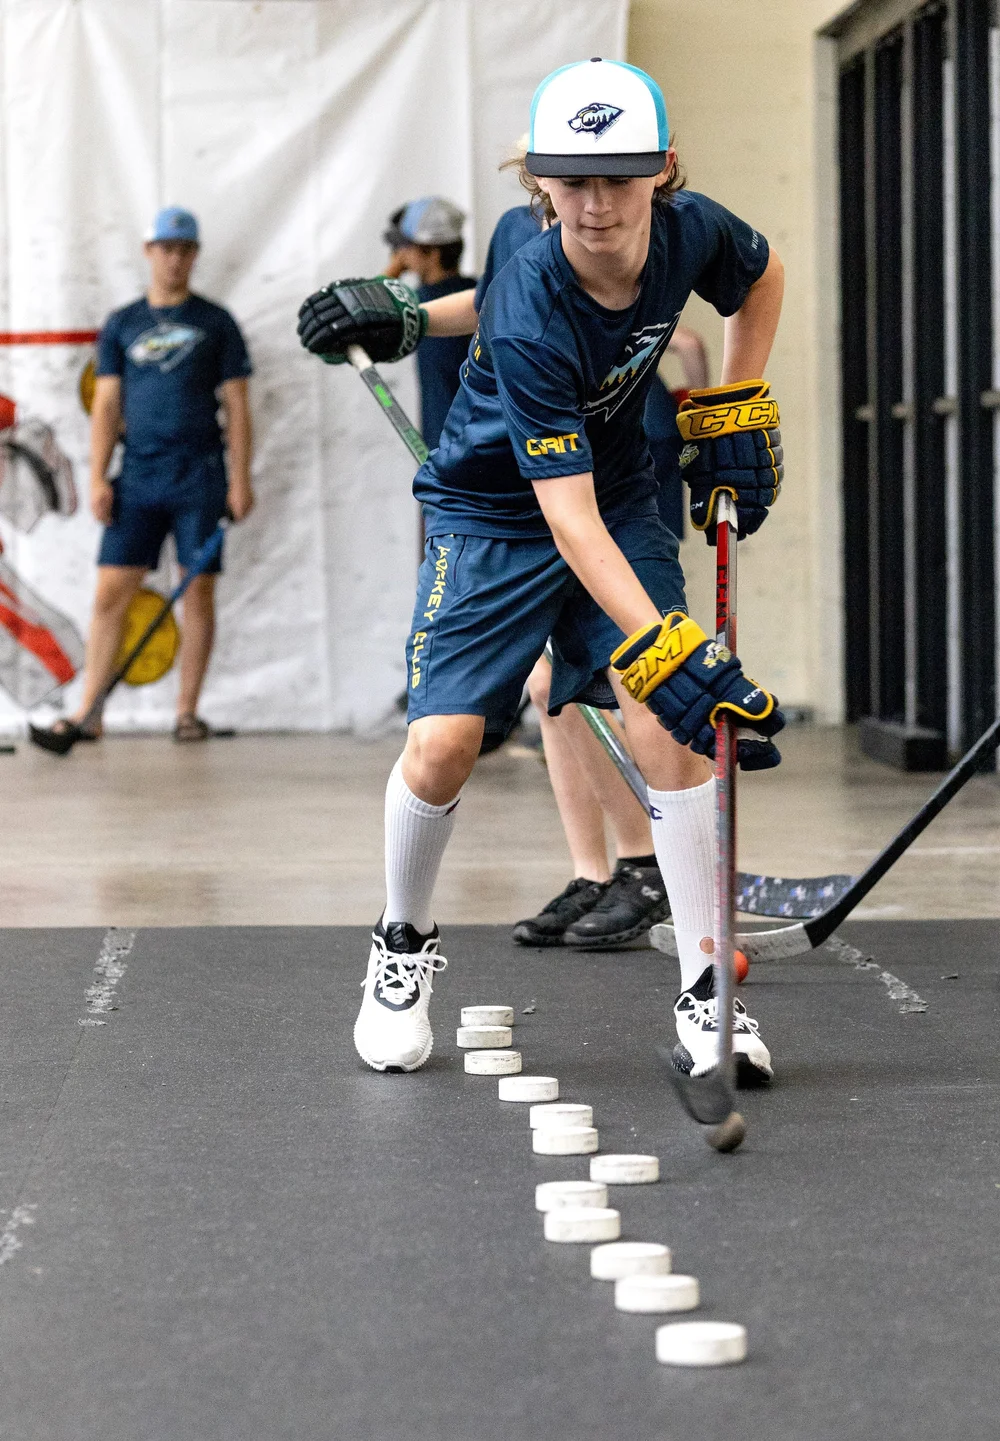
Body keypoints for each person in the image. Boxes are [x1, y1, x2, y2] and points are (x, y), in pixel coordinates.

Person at [297, 57, 785, 1086]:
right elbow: (557, 520)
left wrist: (731, 400)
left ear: (664, 172)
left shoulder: (693, 229)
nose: (596, 203)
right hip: (493, 515)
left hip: (614, 495)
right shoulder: (528, 308)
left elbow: (763, 275)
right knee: (443, 743)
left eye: (619, 177)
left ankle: (709, 990)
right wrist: (663, 644)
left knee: (663, 724)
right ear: (538, 183)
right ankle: (399, 944)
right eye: (570, 179)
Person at [42, 206, 253, 744]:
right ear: (148, 252)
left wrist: (240, 478)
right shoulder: (123, 323)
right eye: (166, 248)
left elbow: (238, 405)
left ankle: (187, 712)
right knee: (111, 592)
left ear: (195, 255)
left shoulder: (216, 322)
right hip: (136, 476)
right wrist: (96, 478)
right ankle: (90, 713)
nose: (175, 258)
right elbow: (108, 407)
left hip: (200, 475)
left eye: (185, 249)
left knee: (197, 589)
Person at [382, 197, 477, 450]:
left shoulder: (417, 304)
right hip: (481, 447)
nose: (399, 255)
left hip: (445, 450)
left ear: (431, 252)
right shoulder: (480, 292)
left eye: (404, 248)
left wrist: (393, 269)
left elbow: (364, 317)